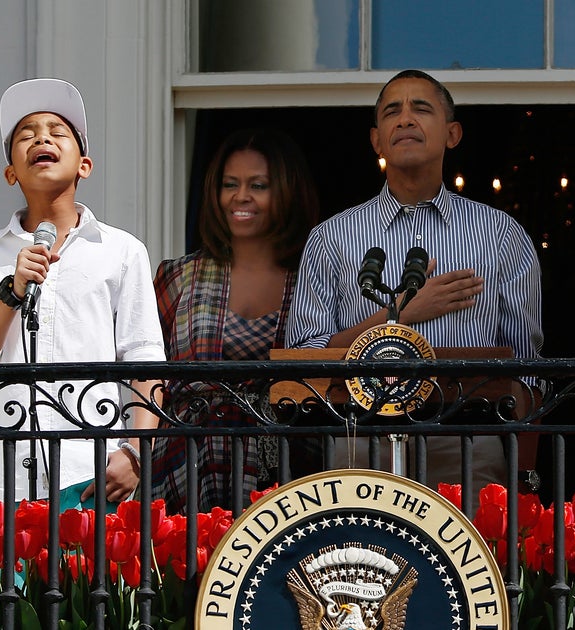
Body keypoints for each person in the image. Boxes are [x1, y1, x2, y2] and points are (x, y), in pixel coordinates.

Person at [285, 69, 544, 490]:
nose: (405, 119)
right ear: (376, 140)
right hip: (359, 440)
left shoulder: (500, 234)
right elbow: (306, 357)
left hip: (469, 443)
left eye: (421, 109)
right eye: (392, 112)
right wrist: (402, 314)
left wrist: (523, 475)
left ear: (453, 134)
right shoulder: (332, 237)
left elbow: (524, 371)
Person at [0, 78, 165, 508]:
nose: (41, 138)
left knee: (92, 578)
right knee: (7, 578)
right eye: (26, 135)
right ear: (11, 173)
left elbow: (146, 360)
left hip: (92, 469)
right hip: (5, 477)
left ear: (84, 165)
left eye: (56, 131)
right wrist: (11, 293)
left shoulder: (120, 250)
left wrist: (137, 454)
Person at [151, 128, 320, 514]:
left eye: (258, 185)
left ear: (287, 192)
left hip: (285, 471)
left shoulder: (312, 280)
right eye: (230, 184)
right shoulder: (178, 277)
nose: (241, 196)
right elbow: (144, 370)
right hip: (189, 466)